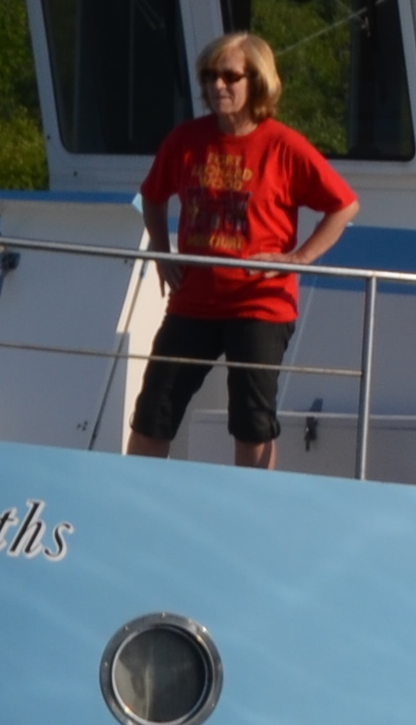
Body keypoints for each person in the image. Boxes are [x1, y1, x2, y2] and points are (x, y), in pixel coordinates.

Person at [129, 32, 358, 467]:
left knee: (251, 420)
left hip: (260, 303)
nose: (218, 86)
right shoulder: (185, 140)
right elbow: (153, 197)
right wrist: (162, 253)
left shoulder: (284, 145)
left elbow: (344, 205)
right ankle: (127, 506)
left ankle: (255, 518)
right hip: (194, 300)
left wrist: (299, 258)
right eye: (210, 76)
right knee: (153, 411)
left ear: (257, 81)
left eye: (230, 76)